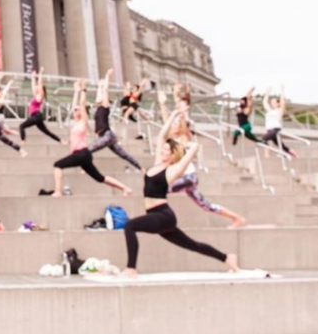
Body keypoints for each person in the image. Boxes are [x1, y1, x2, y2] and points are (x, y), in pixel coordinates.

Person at [121, 109, 239, 278]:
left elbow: (192, 151)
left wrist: (188, 146)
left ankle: (131, 269)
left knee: (129, 225)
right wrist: (172, 116)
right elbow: (162, 136)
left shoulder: (172, 170)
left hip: (163, 215)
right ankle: (227, 258)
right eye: (162, 149)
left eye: (166, 150)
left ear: (172, 154)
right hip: (157, 215)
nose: (162, 151)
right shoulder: (156, 165)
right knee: (192, 245)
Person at [158, 87, 247, 228]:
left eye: (175, 124)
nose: (172, 126)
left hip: (188, 177)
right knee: (206, 206)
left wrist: (179, 106)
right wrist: (162, 104)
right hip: (185, 178)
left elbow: (180, 122)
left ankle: (158, 221)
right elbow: (166, 122)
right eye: (172, 124)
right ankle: (238, 218)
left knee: (158, 189)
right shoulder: (171, 139)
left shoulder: (184, 137)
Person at [51, 79, 132, 198]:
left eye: (77, 110)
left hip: (82, 154)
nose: (74, 111)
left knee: (57, 165)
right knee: (100, 178)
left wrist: (83, 90)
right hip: (82, 155)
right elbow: (75, 106)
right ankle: (125, 188)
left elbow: (81, 105)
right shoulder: (75, 123)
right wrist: (76, 91)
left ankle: (58, 191)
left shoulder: (83, 122)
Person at [89, 69, 142, 170]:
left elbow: (105, 91)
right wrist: (99, 86)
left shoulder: (105, 106)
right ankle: (140, 167)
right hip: (104, 135)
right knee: (123, 154)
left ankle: (84, 166)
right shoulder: (98, 107)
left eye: (101, 96)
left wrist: (107, 76)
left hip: (107, 135)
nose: (99, 97)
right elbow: (99, 95)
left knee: (89, 150)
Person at [18, 68, 61, 143]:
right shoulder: (36, 96)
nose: (36, 88)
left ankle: (23, 140)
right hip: (36, 117)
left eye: (38, 87)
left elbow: (40, 83)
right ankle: (60, 140)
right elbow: (33, 85)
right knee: (46, 132)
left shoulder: (40, 96)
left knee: (21, 126)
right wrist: (33, 77)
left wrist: (40, 73)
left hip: (36, 116)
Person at [262, 85, 295, 156]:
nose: (272, 104)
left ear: (278, 103)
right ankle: (293, 153)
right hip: (269, 130)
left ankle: (266, 154)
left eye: (274, 102)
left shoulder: (279, 111)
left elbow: (283, 102)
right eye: (271, 102)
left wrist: (282, 91)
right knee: (281, 145)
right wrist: (267, 92)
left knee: (264, 139)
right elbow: (264, 102)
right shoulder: (270, 111)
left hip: (275, 129)